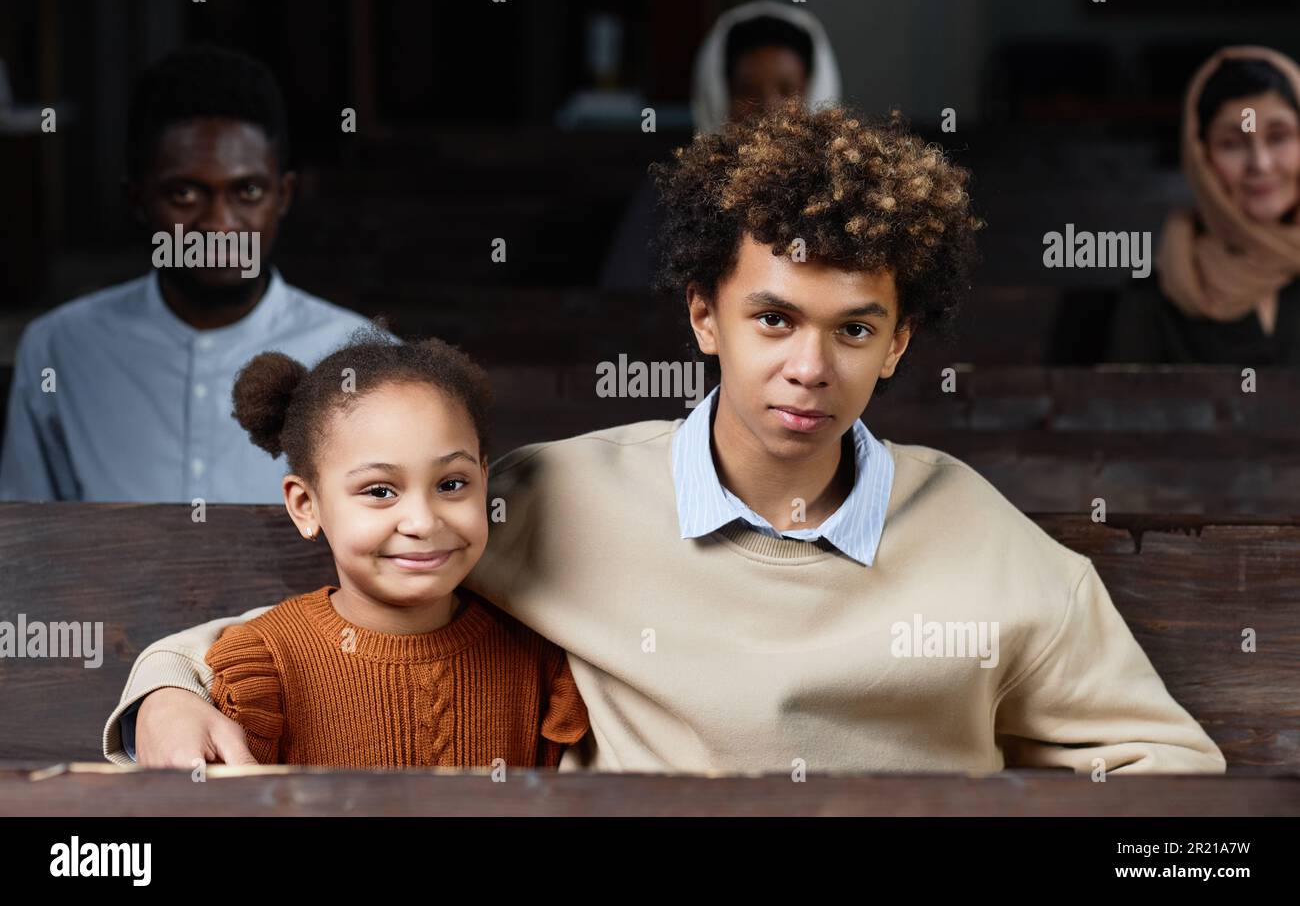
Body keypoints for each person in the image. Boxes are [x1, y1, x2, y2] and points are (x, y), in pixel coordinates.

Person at [104, 103, 1224, 776]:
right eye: (772, 317)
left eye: (855, 330)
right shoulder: (554, 498)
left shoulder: (985, 541)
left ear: (898, 342)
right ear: (704, 316)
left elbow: (1168, 767)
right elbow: (297, 617)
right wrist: (164, 691)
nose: (807, 367)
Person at [0, 43, 374, 502]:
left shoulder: (361, 359)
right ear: (136, 199)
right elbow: (24, 545)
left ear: (284, 196)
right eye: (184, 195)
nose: (218, 224)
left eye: (248, 191)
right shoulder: (59, 349)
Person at [202, 330, 588, 766]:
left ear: (483, 479)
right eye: (380, 491)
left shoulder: (537, 659)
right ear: (306, 505)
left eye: (452, 484)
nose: (423, 522)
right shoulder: (266, 666)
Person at [598, 0, 842, 290]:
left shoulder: (840, 191)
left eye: (787, 90)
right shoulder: (674, 190)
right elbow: (625, 293)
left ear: (813, 94)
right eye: (747, 91)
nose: (769, 108)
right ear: (719, 97)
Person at [1109, 46, 1300, 364]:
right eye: (1232, 144)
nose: (1260, 164)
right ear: (1202, 158)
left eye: (1278, 137)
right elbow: (1113, 409)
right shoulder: (1161, 288)